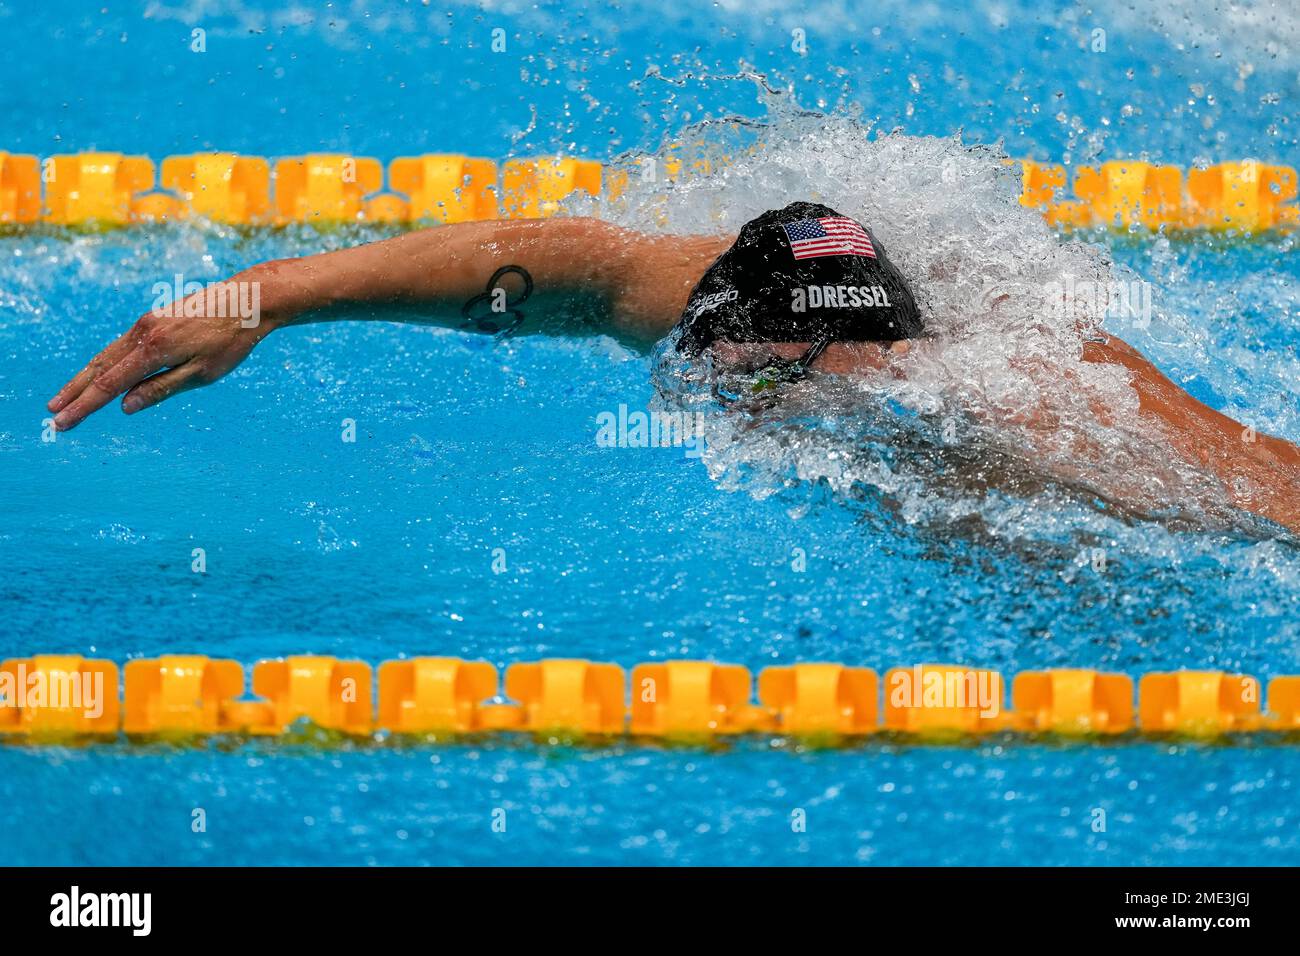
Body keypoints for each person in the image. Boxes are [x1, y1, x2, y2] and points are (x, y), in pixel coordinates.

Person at [48, 202, 1300, 531]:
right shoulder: (721, 294)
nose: (708, 381)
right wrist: (251, 301)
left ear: (820, 352)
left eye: (743, 370)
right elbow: (550, 255)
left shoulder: (1025, 402)